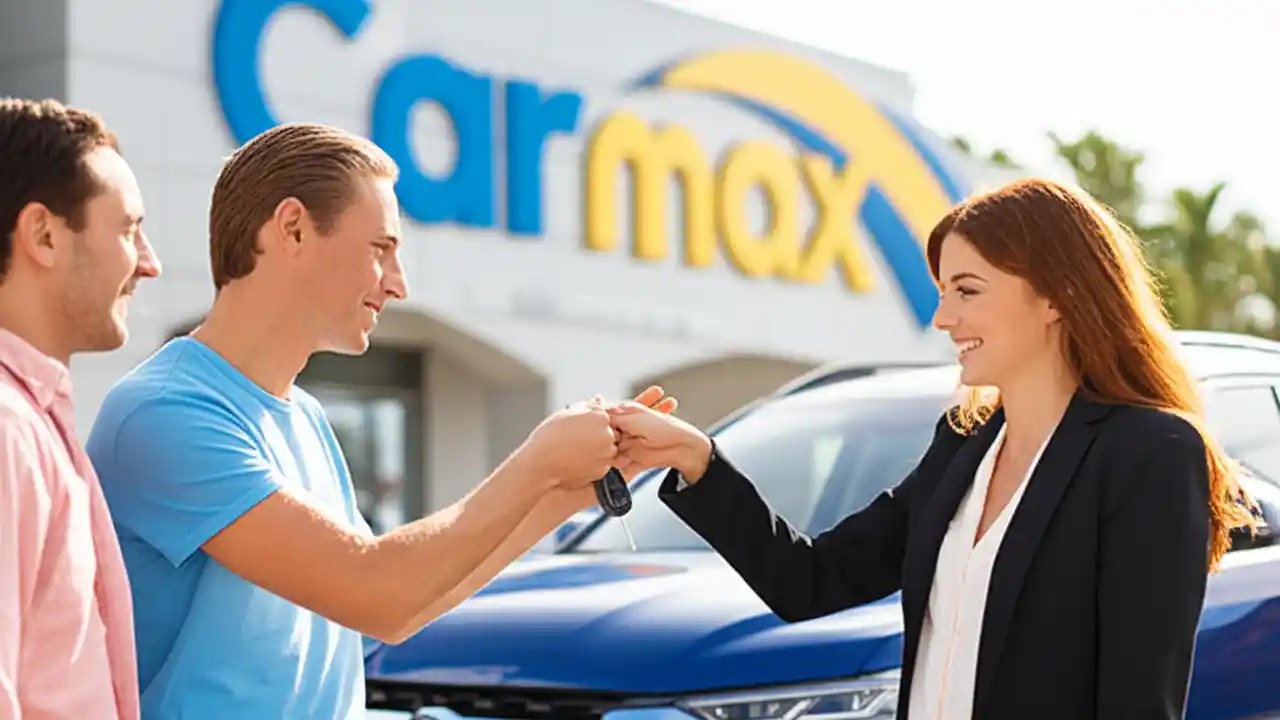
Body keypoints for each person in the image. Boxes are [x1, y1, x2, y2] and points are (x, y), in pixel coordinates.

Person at [607, 177, 1258, 720]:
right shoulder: (962, 446)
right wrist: (696, 459)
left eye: (967, 291)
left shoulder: (1150, 452)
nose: (944, 318)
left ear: (1057, 296)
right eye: (944, 292)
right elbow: (809, 581)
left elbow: (1138, 702)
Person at [84, 122, 674, 719]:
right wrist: (536, 464)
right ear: (292, 229)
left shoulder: (305, 416)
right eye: (380, 249)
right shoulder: (166, 414)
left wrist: (566, 493)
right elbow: (379, 593)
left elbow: (404, 607)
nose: (399, 283)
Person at [0, 97, 162, 719]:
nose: (148, 262)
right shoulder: (10, 431)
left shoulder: (35, 422)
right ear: (43, 234)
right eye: (127, 229)